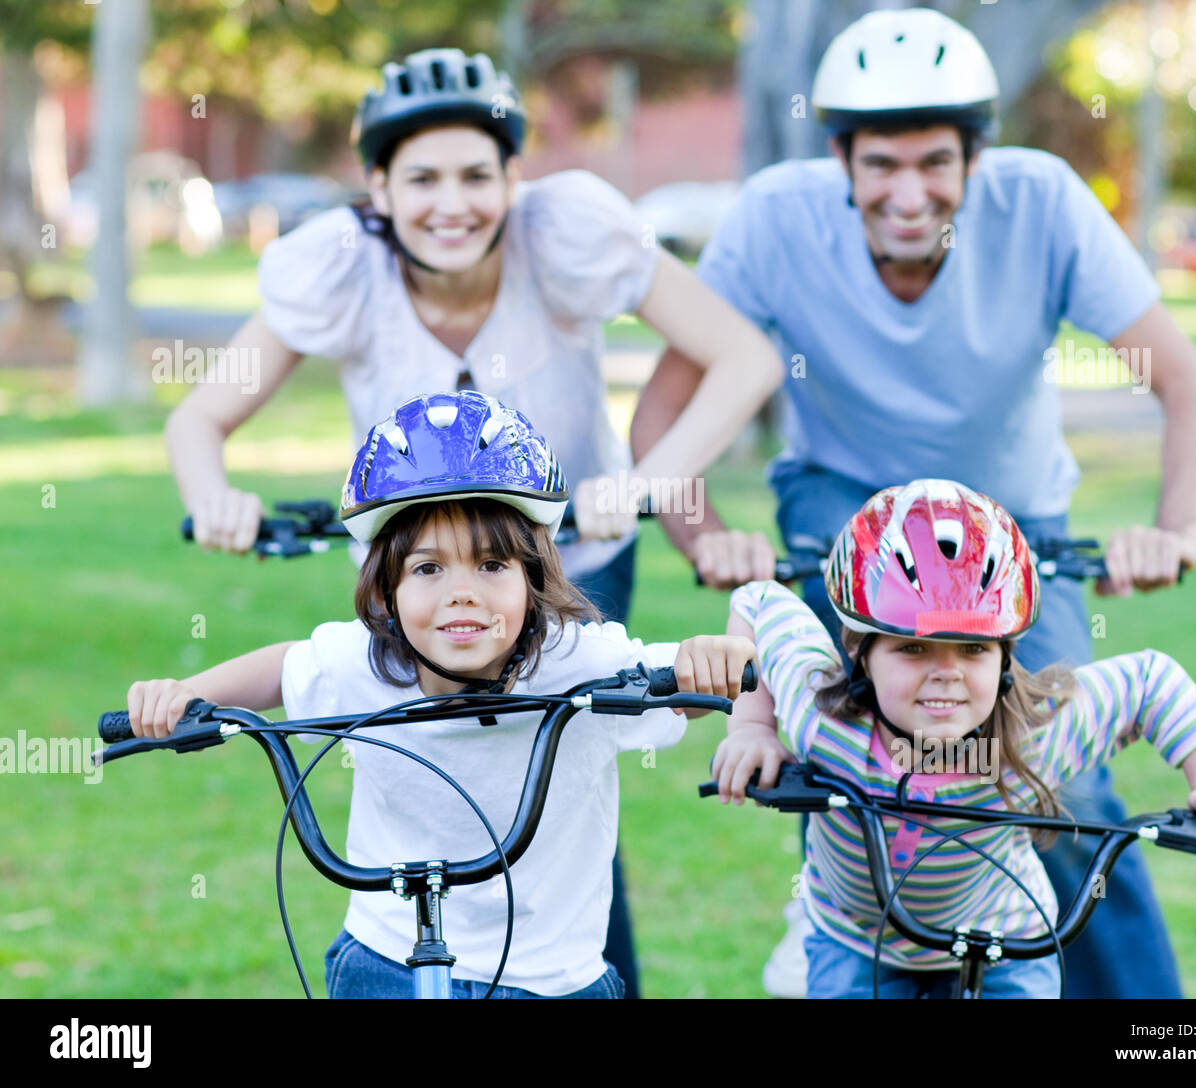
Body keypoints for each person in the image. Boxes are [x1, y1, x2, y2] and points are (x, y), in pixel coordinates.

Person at [629, 8, 1196, 997]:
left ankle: (1146, 1021)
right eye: (882, 164)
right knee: (826, 757)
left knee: (1063, 783)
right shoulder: (777, 216)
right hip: (842, 525)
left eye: (936, 162)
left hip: (1013, 527)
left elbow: (1186, 386)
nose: (910, 194)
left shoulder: (1041, 203)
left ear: (975, 157)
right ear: (840, 158)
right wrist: (707, 536)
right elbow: (662, 408)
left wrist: (1177, 528)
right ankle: (829, 942)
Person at [163, 47, 783, 995]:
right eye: (421, 178)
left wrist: (647, 483)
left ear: (513, 180)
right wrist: (215, 494)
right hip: (405, 570)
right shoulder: (341, 269)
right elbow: (201, 416)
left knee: (562, 791)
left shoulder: (568, 237)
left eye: (475, 175)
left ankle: (571, 976)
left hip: (565, 557)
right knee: (415, 779)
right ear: (377, 186)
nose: (450, 203)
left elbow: (744, 358)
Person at [128, 392, 757, 998]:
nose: (462, 592)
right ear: (385, 592)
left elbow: (675, 680)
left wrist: (709, 664)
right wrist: (185, 696)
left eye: (491, 566)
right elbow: (282, 669)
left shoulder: (577, 660)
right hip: (386, 960)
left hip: (550, 978)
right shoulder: (366, 661)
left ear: (533, 577)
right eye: (428, 568)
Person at [707, 480, 1196, 999]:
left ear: (1006, 657)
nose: (946, 671)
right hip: (854, 937)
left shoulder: (1034, 739)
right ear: (859, 650)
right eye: (912, 648)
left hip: (1004, 936)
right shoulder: (824, 723)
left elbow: (1151, 681)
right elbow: (758, 601)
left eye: (974, 649)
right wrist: (753, 728)